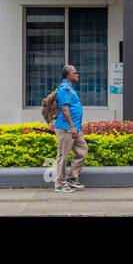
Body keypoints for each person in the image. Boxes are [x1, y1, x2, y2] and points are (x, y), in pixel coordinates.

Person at [52, 64, 87, 193]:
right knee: (63, 156)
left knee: (83, 150)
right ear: (69, 74)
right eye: (75, 72)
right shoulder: (64, 88)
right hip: (66, 128)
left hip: (74, 129)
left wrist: (75, 128)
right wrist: (72, 127)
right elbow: (65, 109)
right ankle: (60, 183)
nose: (78, 75)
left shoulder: (71, 88)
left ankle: (72, 178)